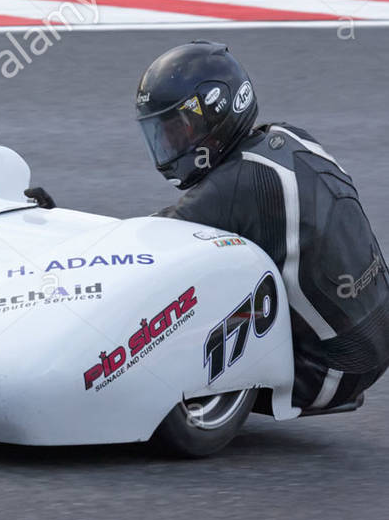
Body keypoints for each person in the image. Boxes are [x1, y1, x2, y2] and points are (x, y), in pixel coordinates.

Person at [135, 40, 389, 413]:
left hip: (327, 371)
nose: (169, 144)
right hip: (373, 336)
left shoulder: (234, 185)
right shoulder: (290, 138)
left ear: (212, 115)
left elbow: (141, 247)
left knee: (171, 306)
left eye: (177, 131)